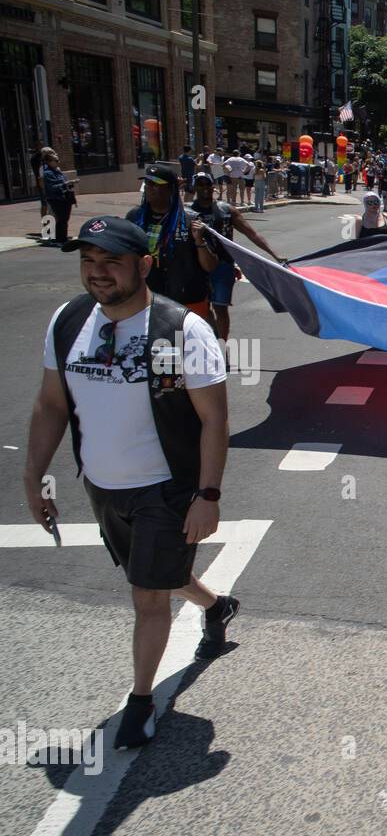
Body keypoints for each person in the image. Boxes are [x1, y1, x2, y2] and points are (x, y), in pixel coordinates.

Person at [23, 217, 239, 750]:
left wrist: (208, 496)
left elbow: (214, 419)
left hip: (164, 488)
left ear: (144, 264)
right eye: (88, 261)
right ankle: (215, 605)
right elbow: (52, 404)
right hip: (103, 486)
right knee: (155, 575)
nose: (97, 273)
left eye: (111, 262)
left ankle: (140, 703)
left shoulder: (181, 330)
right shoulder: (68, 322)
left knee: (147, 594)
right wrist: (33, 475)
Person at [189, 172, 285, 341]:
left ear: (213, 187)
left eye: (207, 184)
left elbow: (252, 233)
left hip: (223, 267)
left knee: (221, 309)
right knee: (203, 310)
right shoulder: (187, 212)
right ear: (195, 187)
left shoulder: (226, 210)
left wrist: (274, 254)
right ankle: (212, 339)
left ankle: (221, 346)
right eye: (200, 184)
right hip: (197, 267)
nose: (204, 188)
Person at [124, 164, 218, 323]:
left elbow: (210, 266)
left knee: (189, 346)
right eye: (147, 184)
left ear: (171, 189)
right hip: (147, 300)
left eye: (155, 184)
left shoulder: (191, 220)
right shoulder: (135, 217)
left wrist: (199, 240)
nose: (149, 188)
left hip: (187, 300)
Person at [40, 148, 77, 245]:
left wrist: (70, 184)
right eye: (56, 160)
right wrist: (65, 184)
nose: (58, 162)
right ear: (49, 161)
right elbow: (51, 186)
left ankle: (62, 238)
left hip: (64, 197)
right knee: (55, 218)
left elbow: (63, 181)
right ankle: (52, 238)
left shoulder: (58, 171)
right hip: (54, 198)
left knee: (63, 219)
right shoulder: (47, 172)